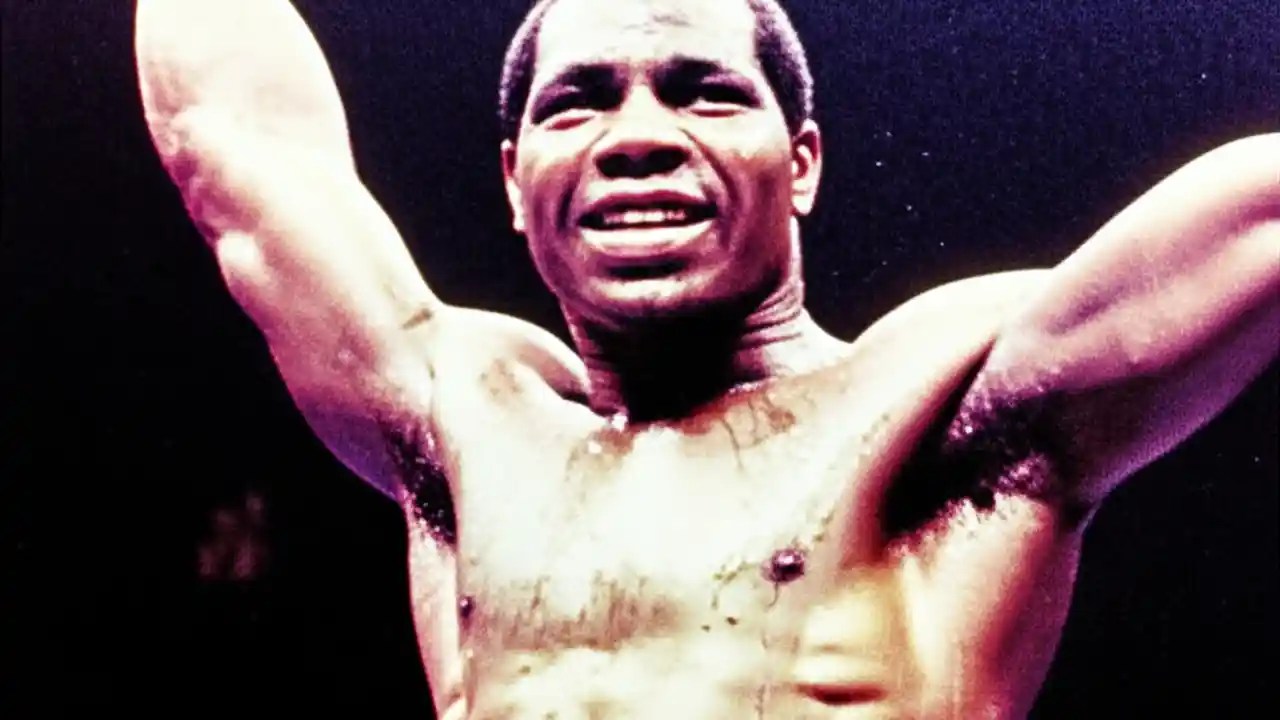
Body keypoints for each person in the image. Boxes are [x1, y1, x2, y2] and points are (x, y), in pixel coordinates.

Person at [134, 0, 1278, 717]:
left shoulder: (946, 399)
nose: (635, 136)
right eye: (576, 102)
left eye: (703, 90)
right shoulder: (464, 424)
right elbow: (228, 141)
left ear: (802, 164)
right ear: (512, 180)